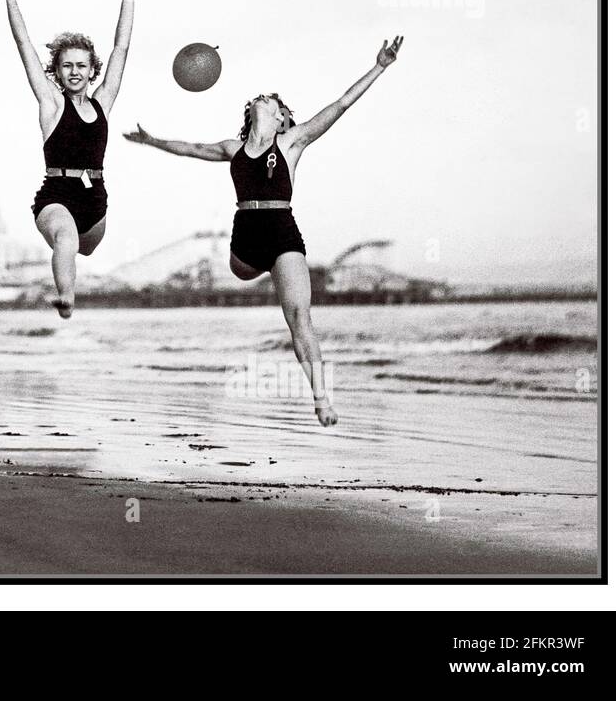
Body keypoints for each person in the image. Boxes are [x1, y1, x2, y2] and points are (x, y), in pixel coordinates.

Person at [124, 36, 405, 426]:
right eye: (263, 98)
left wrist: (379, 66)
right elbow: (189, 147)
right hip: (245, 242)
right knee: (241, 271)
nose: (265, 99)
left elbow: (341, 103)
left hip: (282, 234)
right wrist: (152, 140)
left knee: (299, 316)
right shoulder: (232, 148)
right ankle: (257, 272)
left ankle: (321, 398)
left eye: (274, 102)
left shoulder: (292, 141)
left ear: (282, 119)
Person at [0, 0, 148, 318]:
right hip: (56, 196)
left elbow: (121, 49)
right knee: (66, 238)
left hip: (95, 201)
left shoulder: (103, 102)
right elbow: (25, 48)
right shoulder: (51, 104)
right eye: (67, 65)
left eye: (82, 65)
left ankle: (69, 275)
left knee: (85, 247)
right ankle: (66, 297)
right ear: (58, 72)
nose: (75, 71)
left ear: (92, 71)